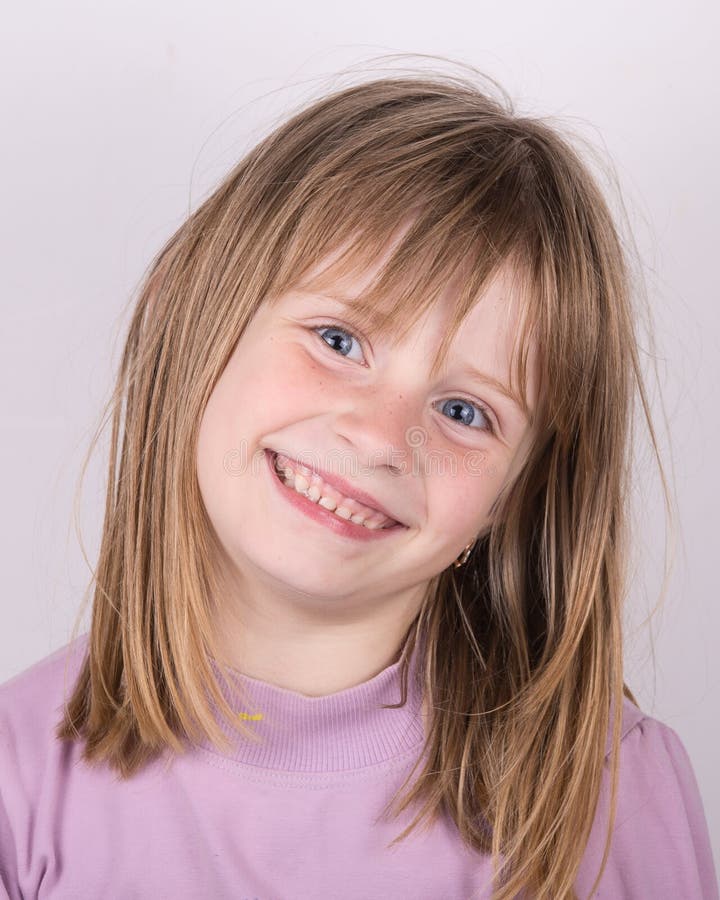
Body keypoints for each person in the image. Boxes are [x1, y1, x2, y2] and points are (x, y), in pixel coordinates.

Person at [0, 70, 717, 900]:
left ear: (513, 499)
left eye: (464, 409)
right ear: (189, 313)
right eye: (338, 339)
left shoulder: (607, 797)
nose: (380, 437)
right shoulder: (18, 787)